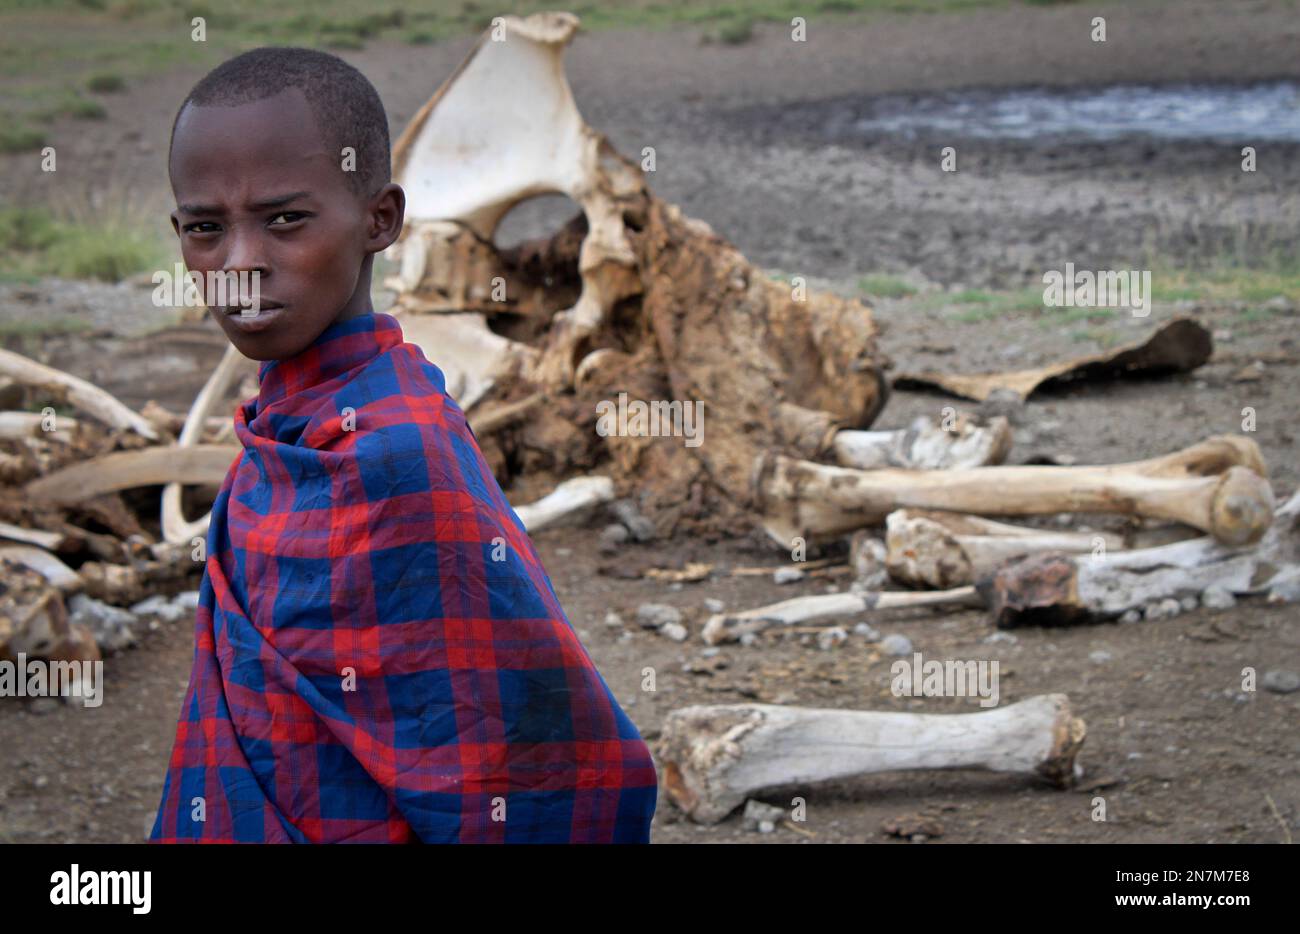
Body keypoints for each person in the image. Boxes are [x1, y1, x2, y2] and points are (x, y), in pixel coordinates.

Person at [148, 47, 658, 843]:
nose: (240, 266)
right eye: (206, 230)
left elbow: (553, 765)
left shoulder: (399, 453)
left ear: (380, 219)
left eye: (285, 220)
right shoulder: (278, 435)